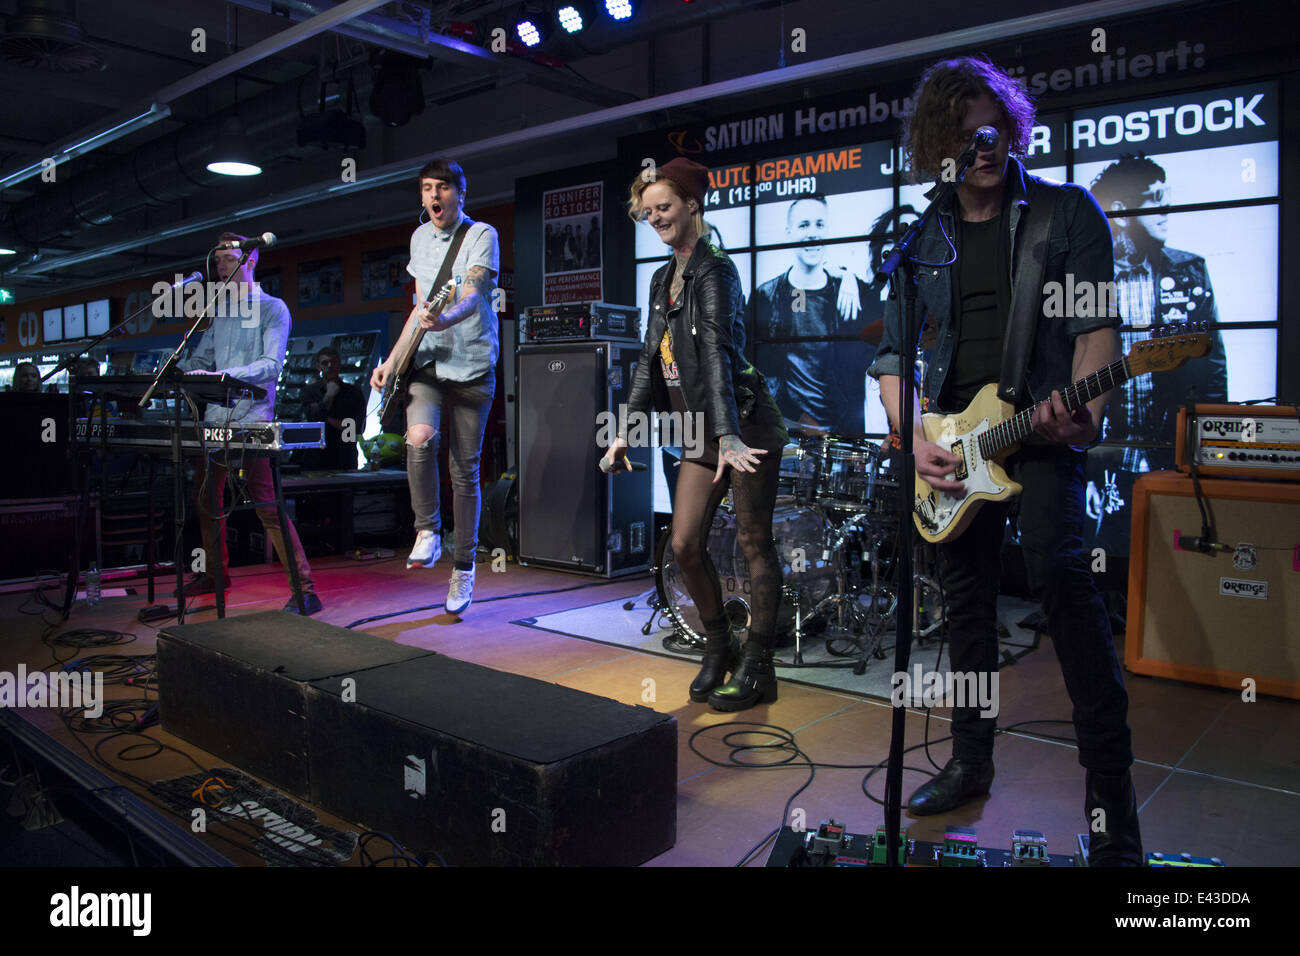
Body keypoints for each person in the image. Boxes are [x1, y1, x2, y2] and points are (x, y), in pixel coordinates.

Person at [868, 56, 1141, 865]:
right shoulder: (925, 237)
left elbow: (1096, 327)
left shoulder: (1065, 215)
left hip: (1041, 433)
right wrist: (913, 430)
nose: (980, 145)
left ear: (1011, 127)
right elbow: (890, 355)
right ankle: (970, 759)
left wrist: (1082, 407)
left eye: (992, 129)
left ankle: (1112, 801)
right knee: (964, 611)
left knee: (1061, 580)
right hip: (953, 449)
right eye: (962, 133)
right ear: (937, 142)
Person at [604, 157, 788, 712]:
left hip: (744, 423)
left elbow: (716, 353)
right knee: (683, 543)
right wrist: (624, 433)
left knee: (755, 542)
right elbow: (648, 361)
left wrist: (730, 436)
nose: (655, 216)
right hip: (699, 429)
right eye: (648, 210)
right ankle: (719, 644)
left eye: (665, 206)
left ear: (692, 205)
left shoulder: (716, 270)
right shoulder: (664, 276)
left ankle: (759, 667)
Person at [370, 157, 498, 615]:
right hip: (428, 362)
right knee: (419, 438)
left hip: (473, 364)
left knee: (465, 472)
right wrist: (392, 359)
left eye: (442, 187)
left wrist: (442, 319)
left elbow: (475, 294)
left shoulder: (482, 234)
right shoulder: (419, 237)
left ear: (460, 193)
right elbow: (419, 308)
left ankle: (463, 568)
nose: (434, 196)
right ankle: (427, 529)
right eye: (427, 188)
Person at [177, 232, 320, 614]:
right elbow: (202, 359)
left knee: (266, 506)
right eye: (219, 261)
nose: (222, 266)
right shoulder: (220, 313)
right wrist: (182, 369)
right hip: (216, 420)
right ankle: (215, 573)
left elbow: (272, 365)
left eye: (229, 259)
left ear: (251, 261)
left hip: (250, 420)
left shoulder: (273, 308)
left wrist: (221, 375)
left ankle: (305, 589)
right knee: (205, 498)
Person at [1089, 153, 1228, 471]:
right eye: (1155, 198)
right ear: (1122, 213)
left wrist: (1209, 453)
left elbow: (1213, 370)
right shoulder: (1081, 276)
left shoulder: (1190, 270)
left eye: (1168, 197)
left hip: (1170, 452)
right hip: (1101, 456)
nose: (1166, 209)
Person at [752, 195, 875, 434]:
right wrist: (800, 419)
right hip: (789, 432)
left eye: (819, 224)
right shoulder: (767, 295)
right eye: (803, 225)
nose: (812, 233)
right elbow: (760, 374)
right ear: (788, 232)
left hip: (845, 434)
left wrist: (848, 275)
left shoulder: (851, 290)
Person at [300, 347, 366, 470]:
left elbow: (357, 428)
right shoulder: (309, 391)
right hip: (317, 457)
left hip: (345, 456)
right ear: (318, 366)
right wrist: (329, 396)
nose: (330, 366)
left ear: (339, 364)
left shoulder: (354, 392)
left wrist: (324, 418)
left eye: (333, 362)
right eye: (325, 363)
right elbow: (312, 420)